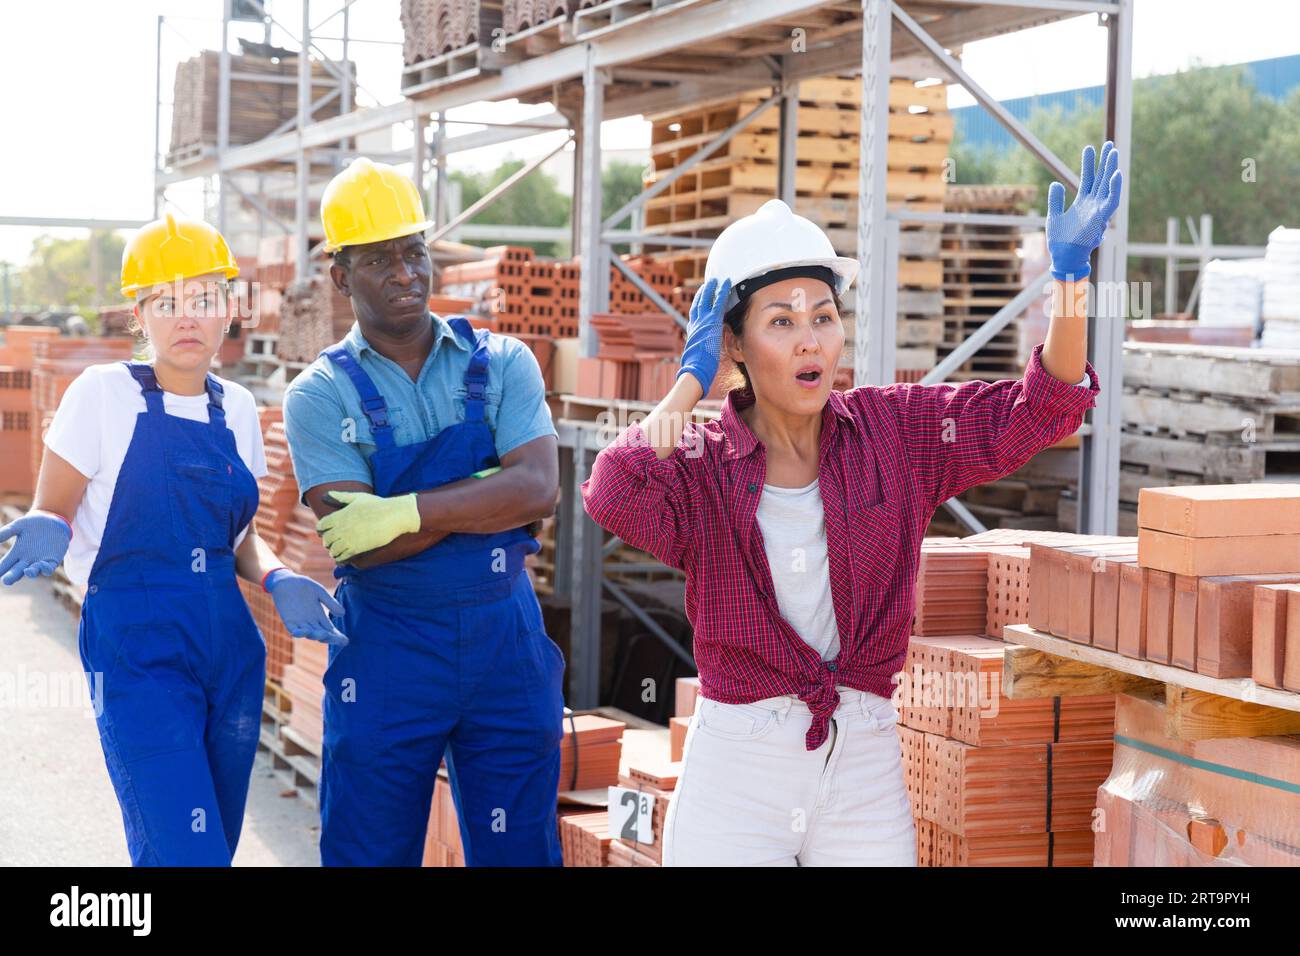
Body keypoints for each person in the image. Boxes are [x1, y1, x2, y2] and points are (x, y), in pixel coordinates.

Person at [582, 143, 1123, 866]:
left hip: (863, 761)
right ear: (733, 345)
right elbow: (613, 487)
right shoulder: (701, 464)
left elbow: (1043, 411)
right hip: (737, 772)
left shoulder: (893, 433)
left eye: (824, 317)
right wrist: (689, 379)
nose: (811, 340)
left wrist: (1071, 280)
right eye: (780, 321)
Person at [0, 213, 347, 866]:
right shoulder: (101, 394)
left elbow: (240, 537)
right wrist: (52, 521)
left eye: (204, 298)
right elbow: (56, 508)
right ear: (139, 314)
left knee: (213, 844)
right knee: (185, 853)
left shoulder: (237, 408)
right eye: (167, 301)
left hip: (229, 650)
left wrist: (278, 576)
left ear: (228, 310)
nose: (187, 316)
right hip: (138, 648)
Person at [282, 158, 564, 867]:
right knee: (369, 852)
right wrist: (485, 492)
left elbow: (539, 490)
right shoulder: (319, 396)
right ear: (341, 276)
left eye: (415, 252)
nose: (407, 273)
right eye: (381, 260)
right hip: (387, 653)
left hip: (506, 644)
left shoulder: (502, 362)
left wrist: (401, 509)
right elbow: (360, 545)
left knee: (519, 851)